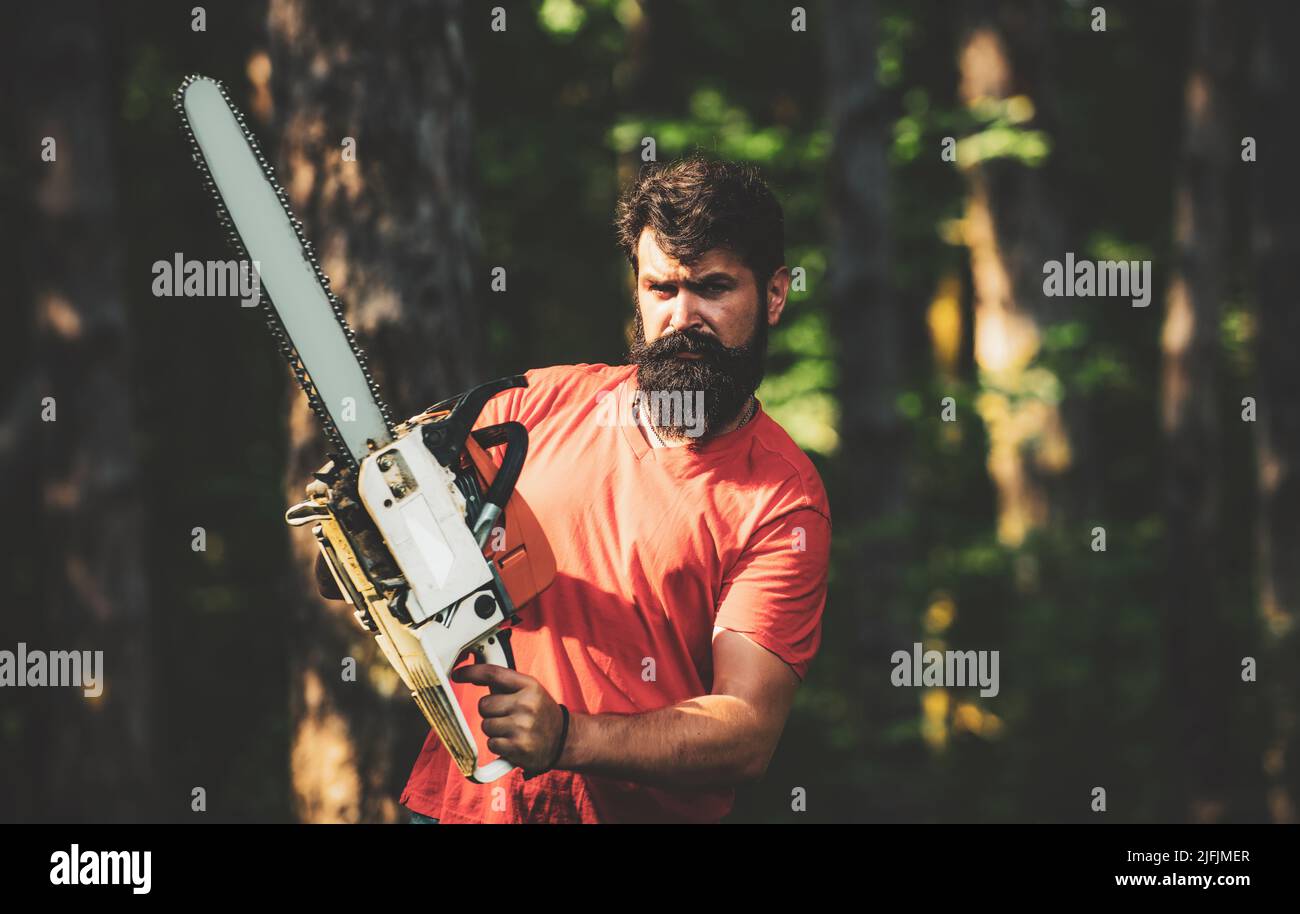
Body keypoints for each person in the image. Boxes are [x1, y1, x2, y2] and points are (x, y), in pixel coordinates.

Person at [395, 155, 830, 822]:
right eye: (661, 289)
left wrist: (569, 736)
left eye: (713, 288)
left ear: (773, 294)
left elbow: (746, 730)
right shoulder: (535, 407)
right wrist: (364, 538)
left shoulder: (781, 497)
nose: (684, 317)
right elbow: (366, 555)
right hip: (460, 805)